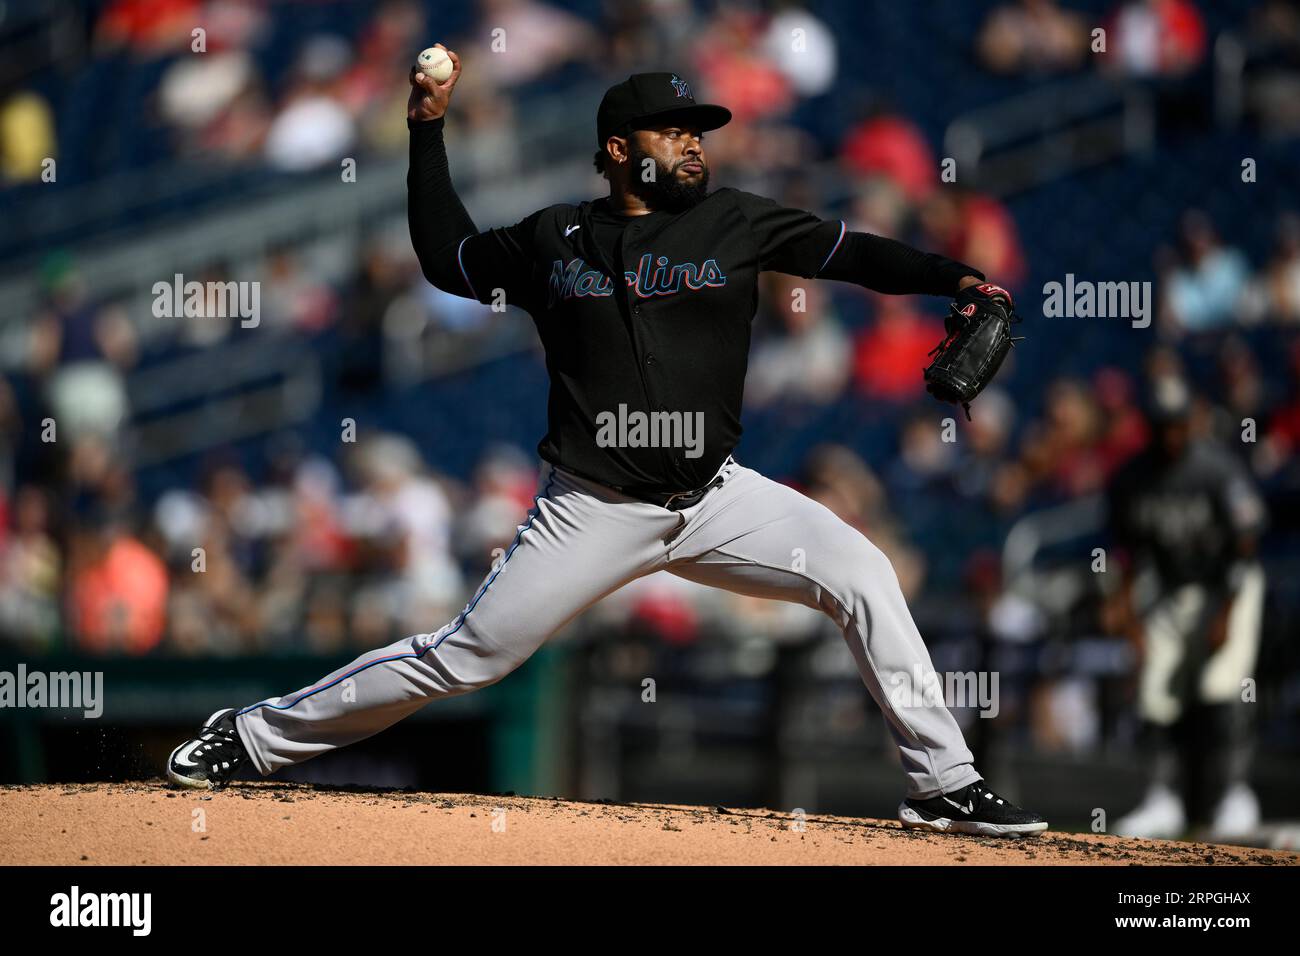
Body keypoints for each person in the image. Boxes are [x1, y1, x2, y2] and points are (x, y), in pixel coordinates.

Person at [165, 51, 1047, 837]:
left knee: (863, 573)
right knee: (468, 657)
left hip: (717, 499)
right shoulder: (555, 237)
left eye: (698, 130)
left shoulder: (736, 221)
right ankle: (250, 736)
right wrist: (426, 131)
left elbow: (855, 254)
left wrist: (955, 277)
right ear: (623, 149)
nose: (696, 144)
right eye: (676, 131)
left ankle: (944, 784)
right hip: (591, 507)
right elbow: (448, 259)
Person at [1105, 378, 1267, 840]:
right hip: (1171, 593)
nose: (1170, 435)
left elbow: (1246, 541)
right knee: (1156, 692)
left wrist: (1225, 613)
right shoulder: (1132, 478)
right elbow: (1124, 553)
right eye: (1161, 426)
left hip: (1228, 588)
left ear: (1189, 424)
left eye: (1177, 425)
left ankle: (1235, 795)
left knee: (1223, 688)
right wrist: (1127, 614)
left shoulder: (1217, 470)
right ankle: (1161, 799)